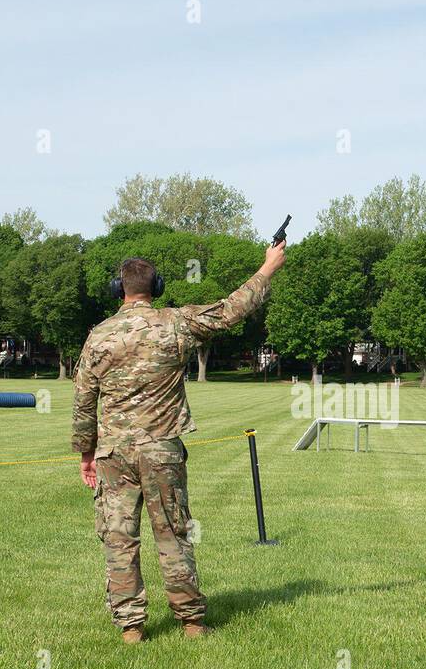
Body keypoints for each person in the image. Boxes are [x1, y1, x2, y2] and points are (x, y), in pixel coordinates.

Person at [71, 242, 286, 643]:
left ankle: (131, 627)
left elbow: (83, 401)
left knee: (119, 537)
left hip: (114, 454)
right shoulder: (175, 323)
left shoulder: (98, 336)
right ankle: (191, 622)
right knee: (173, 534)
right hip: (163, 450)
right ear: (158, 287)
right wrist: (267, 269)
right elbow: (230, 310)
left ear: (120, 289)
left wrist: (86, 453)